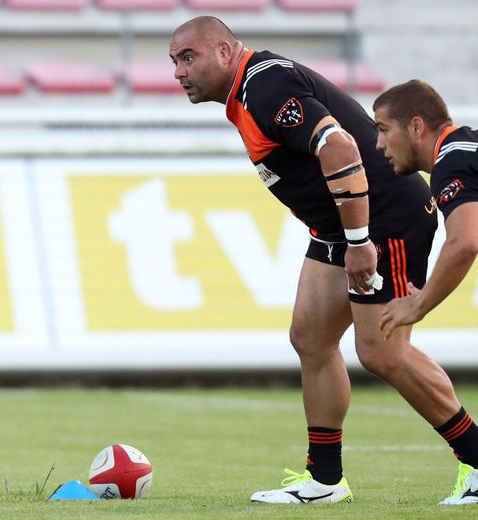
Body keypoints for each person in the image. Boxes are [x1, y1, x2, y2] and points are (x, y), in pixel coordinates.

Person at [169, 16, 477, 505]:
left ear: (227, 52)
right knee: (310, 337)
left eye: (189, 57)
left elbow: (338, 145)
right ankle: (325, 480)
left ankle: (477, 460)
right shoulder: (252, 91)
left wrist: (359, 240)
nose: (179, 72)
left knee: (382, 352)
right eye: (174, 62)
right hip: (339, 228)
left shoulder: (263, 87)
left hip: (382, 222)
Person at [373, 79, 478, 504]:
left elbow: (465, 241)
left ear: (416, 127)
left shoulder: (451, 162)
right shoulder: (467, 148)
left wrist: (418, 303)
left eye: (383, 129)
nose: (379, 145)